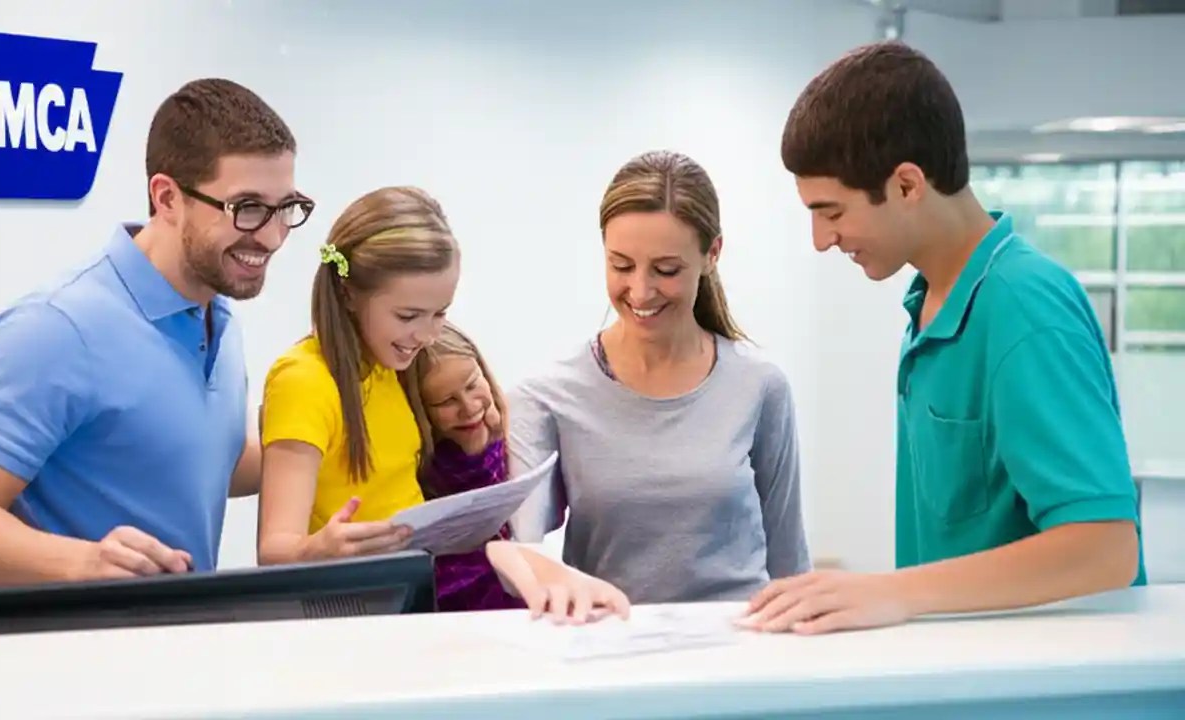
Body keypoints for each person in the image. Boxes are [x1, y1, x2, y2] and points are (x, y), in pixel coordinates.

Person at [742, 41, 1145, 635]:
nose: (821, 240)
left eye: (832, 212)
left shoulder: (1025, 308)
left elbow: (1105, 549)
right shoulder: (930, 304)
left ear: (907, 185)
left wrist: (892, 593)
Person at [0, 78, 315, 583]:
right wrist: (85, 562)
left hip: (180, 644)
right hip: (75, 654)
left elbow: (203, 461)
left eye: (286, 208)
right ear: (167, 198)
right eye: (248, 208)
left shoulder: (218, 314)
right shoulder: (56, 328)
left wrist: (329, 430)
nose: (274, 235)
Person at [256, 187, 629, 623]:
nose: (428, 336)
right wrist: (319, 548)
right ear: (348, 295)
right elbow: (274, 549)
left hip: (410, 600)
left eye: (440, 314)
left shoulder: (389, 369)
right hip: (350, 614)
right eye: (408, 316)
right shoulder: (303, 379)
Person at [507, 149, 812, 605]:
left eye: (667, 270)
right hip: (612, 647)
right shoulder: (546, 397)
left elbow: (790, 563)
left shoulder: (760, 386)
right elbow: (523, 553)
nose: (641, 291)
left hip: (739, 649)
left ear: (713, 254)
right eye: (621, 265)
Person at [414, 322, 629, 617]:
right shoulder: (424, 468)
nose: (468, 406)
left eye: (472, 384)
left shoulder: (514, 439)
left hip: (525, 597)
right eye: (446, 401)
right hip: (462, 609)